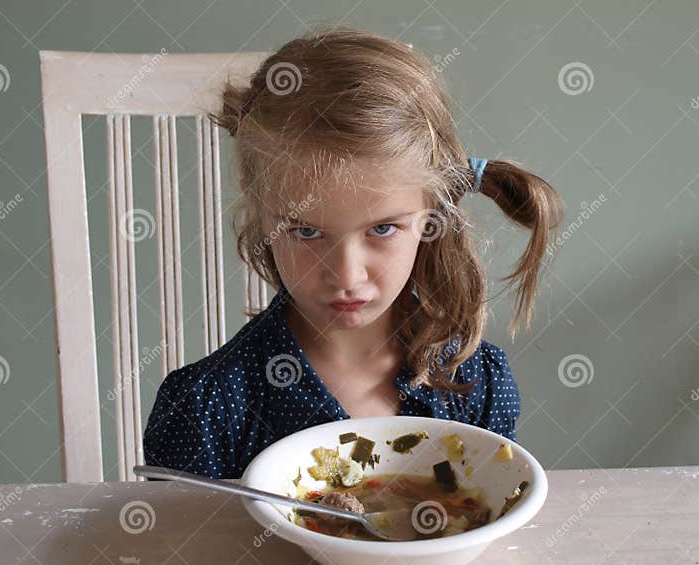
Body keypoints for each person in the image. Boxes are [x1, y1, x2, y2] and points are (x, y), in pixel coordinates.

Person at [143, 26, 563, 479]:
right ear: (259, 210)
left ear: (429, 215)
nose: (346, 274)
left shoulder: (477, 385)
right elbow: (182, 549)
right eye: (306, 232)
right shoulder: (201, 410)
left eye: (382, 228)